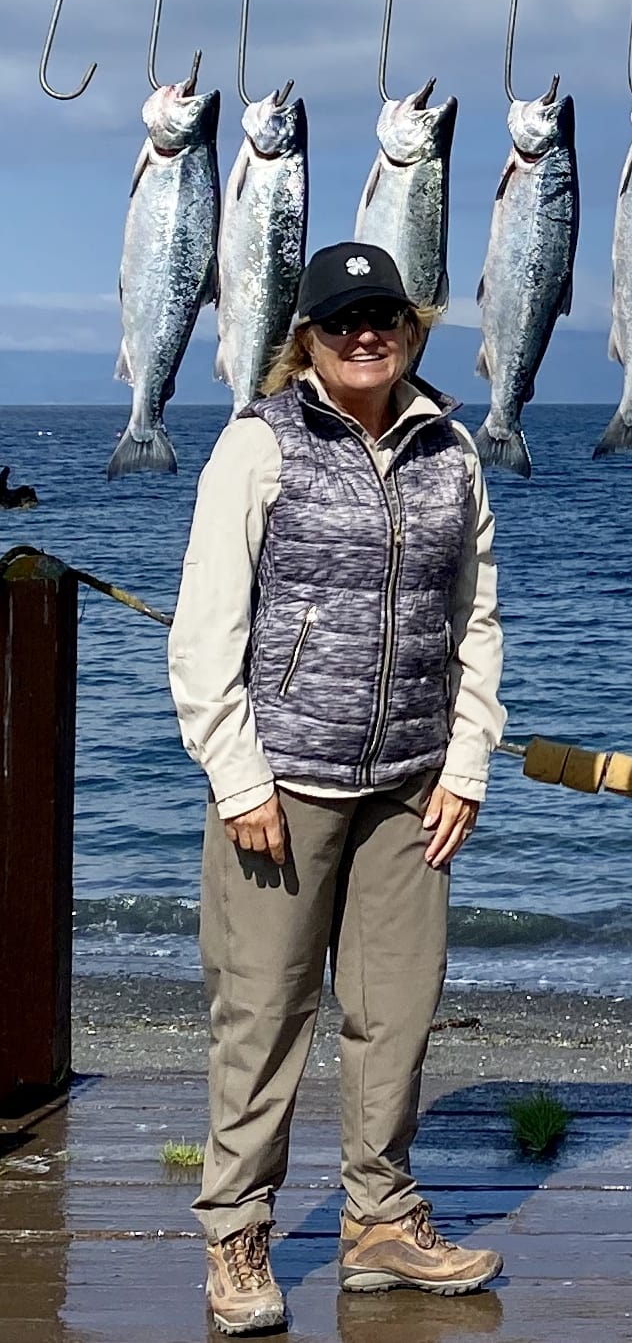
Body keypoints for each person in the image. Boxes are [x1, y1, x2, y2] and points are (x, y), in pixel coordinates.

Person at [167, 242, 506, 1334]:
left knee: (397, 1014)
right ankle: (238, 1233)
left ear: (412, 327)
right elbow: (204, 631)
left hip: (412, 786)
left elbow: (477, 618)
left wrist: (466, 758)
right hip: (283, 786)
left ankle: (380, 1222)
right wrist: (237, 777)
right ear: (304, 338)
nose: (369, 332)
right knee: (263, 1016)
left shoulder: (451, 445)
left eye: (387, 315)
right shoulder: (255, 448)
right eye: (343, 317)